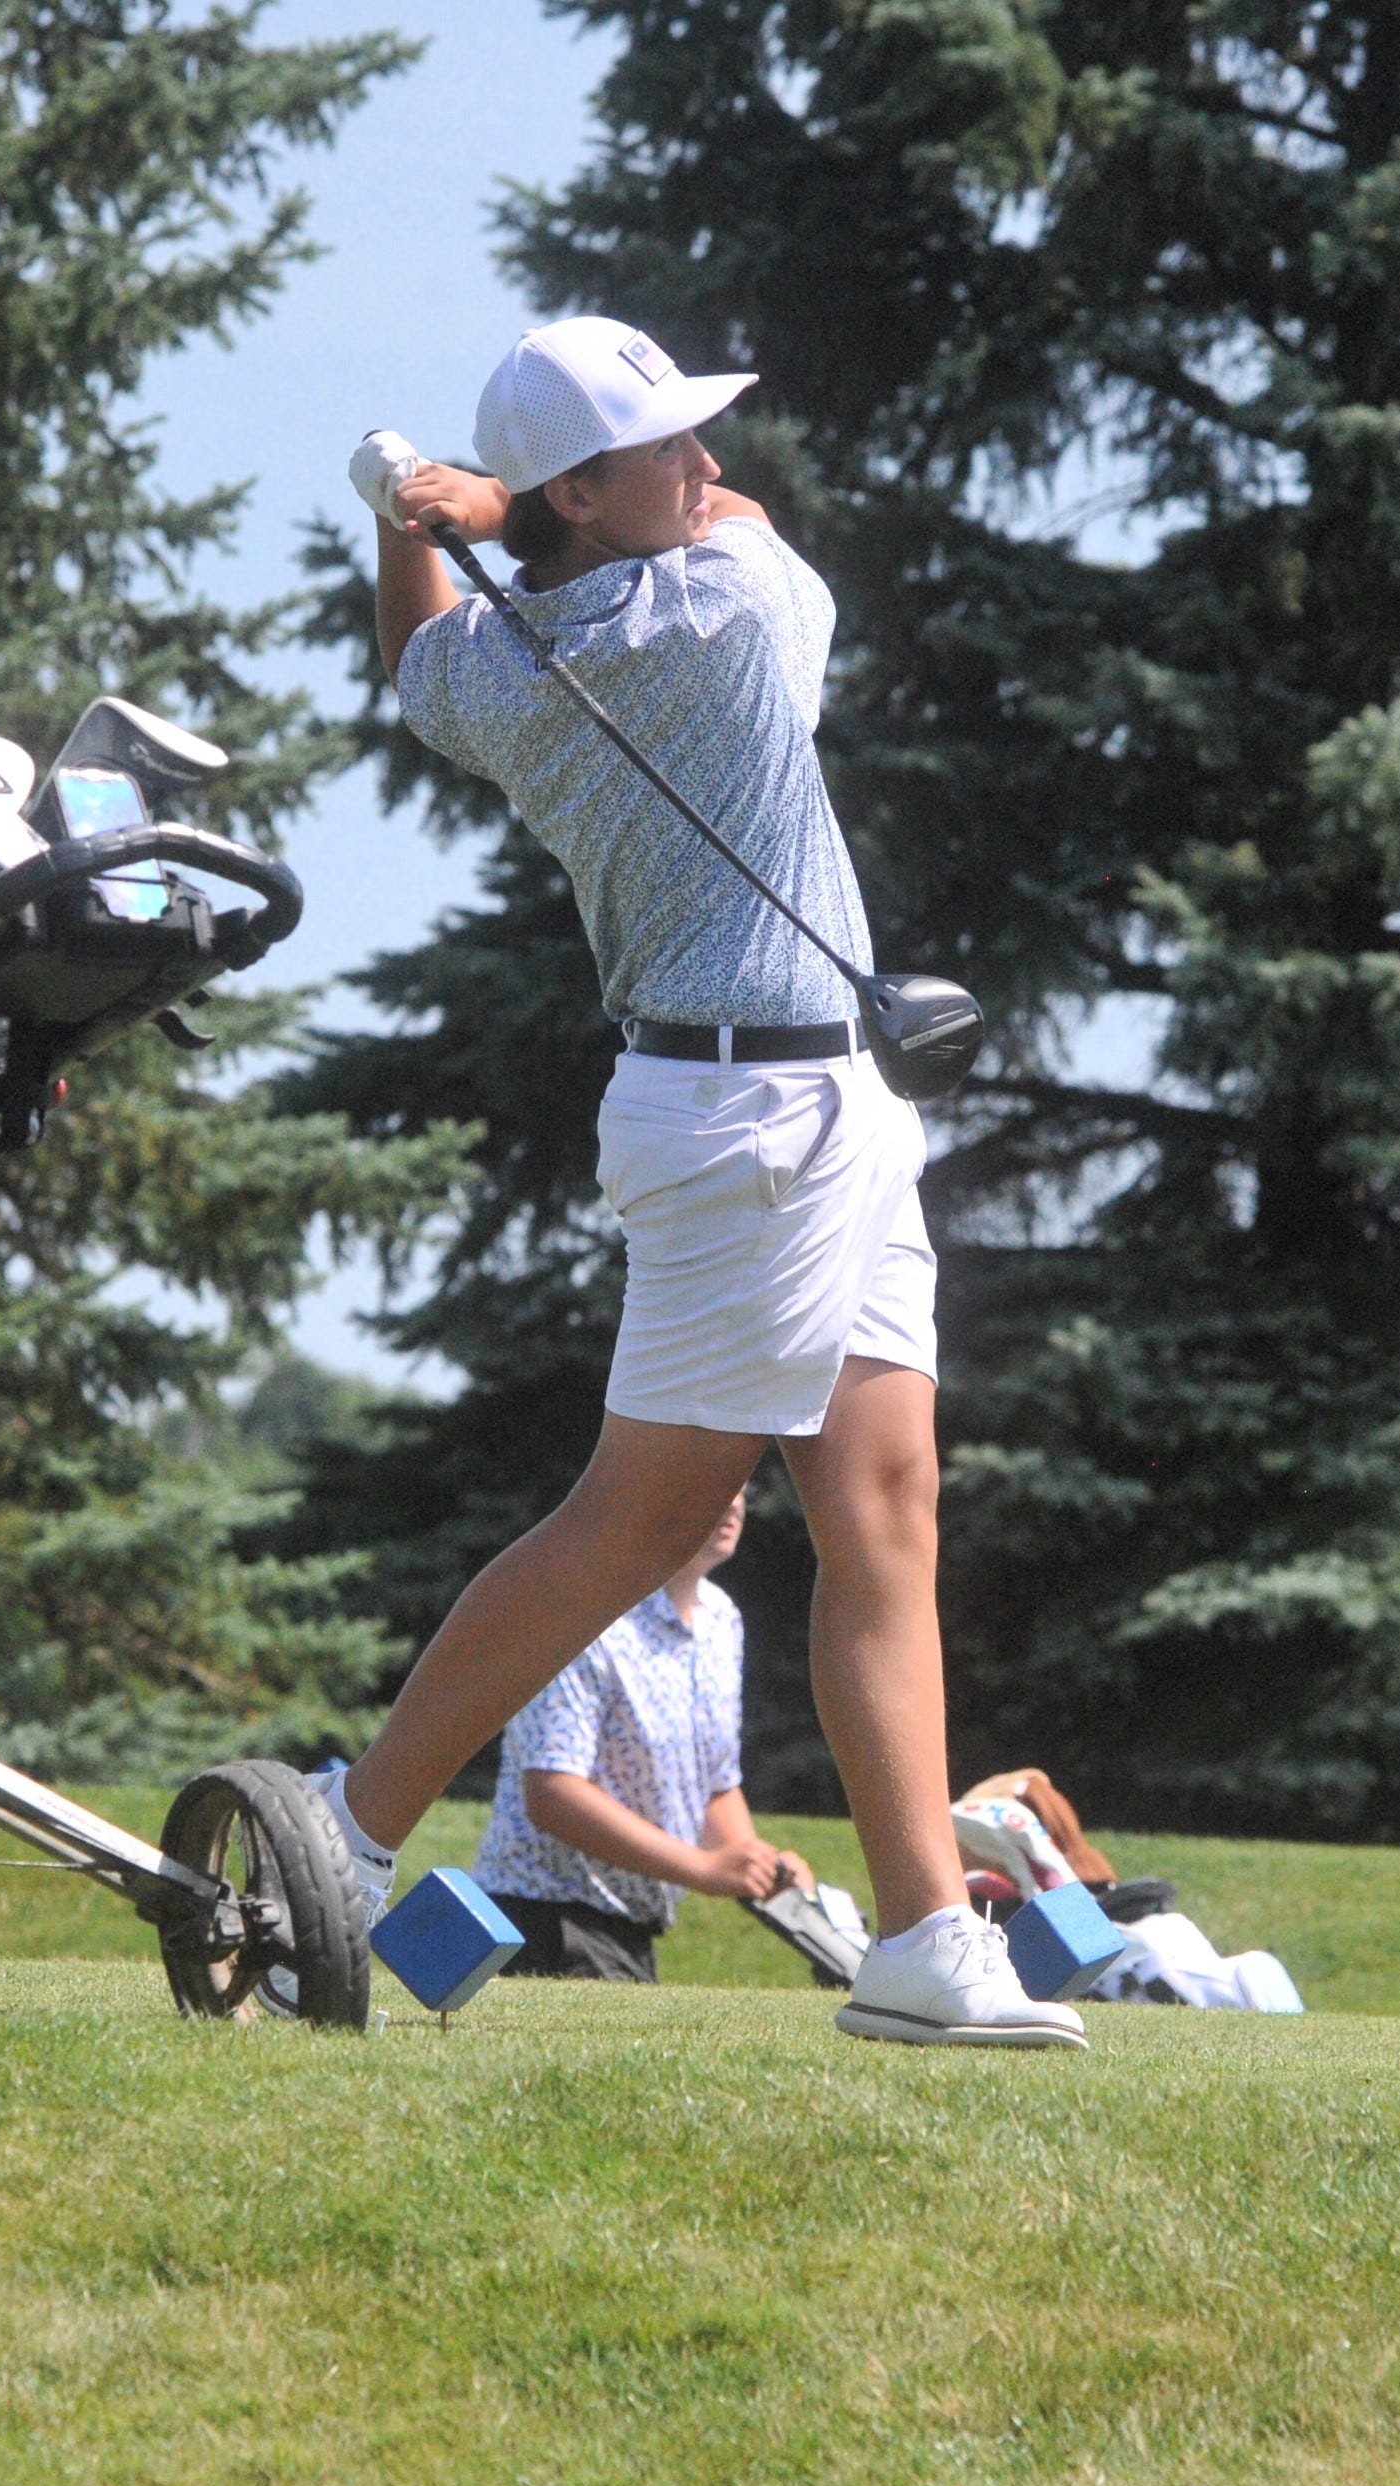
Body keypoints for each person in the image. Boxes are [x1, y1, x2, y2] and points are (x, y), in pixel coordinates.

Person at [328, 315, 1085, 2048]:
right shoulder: (731, 608)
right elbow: (727, 523)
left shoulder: (512, 672)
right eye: (661, 442)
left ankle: (918, 1941)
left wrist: (421, 522)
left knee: (885, 1501)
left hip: (823, 1105)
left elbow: (418, 668)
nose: (704, 460)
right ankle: (350, 1823)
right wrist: (493, 509)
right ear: (587, 492)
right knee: (642, 1522)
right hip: (744, 1124)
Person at [472, 1493, 814, 1981]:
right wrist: (702, 1868)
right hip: (543, 1927)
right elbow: (552, 1793)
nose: (733, 1501)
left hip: (626, 1935)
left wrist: (760, 1866)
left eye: (741, 1485)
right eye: (718, 1483)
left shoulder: (722, 1620)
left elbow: (714, 1784)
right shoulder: (585, 1615)